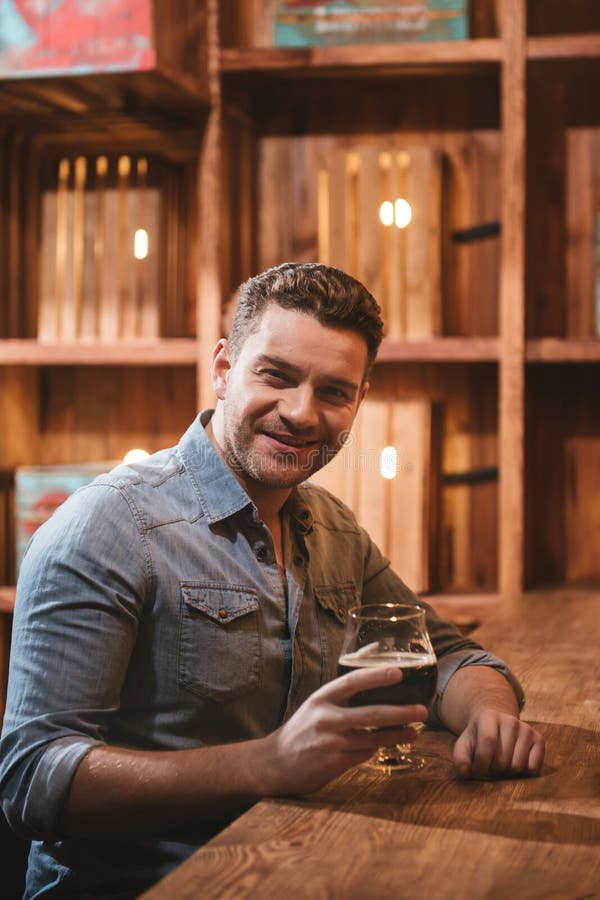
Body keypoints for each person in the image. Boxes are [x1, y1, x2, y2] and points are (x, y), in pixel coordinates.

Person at [0, 263, 545, 898]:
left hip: (300, 870)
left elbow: (449, 656)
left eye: (335, 392)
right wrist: (271, 763)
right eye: (276, 376)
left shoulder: (331, 526)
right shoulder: (107, 526)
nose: (301, 412)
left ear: (359, 401)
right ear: (224, 367)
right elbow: (33, 780)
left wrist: (490, 717)